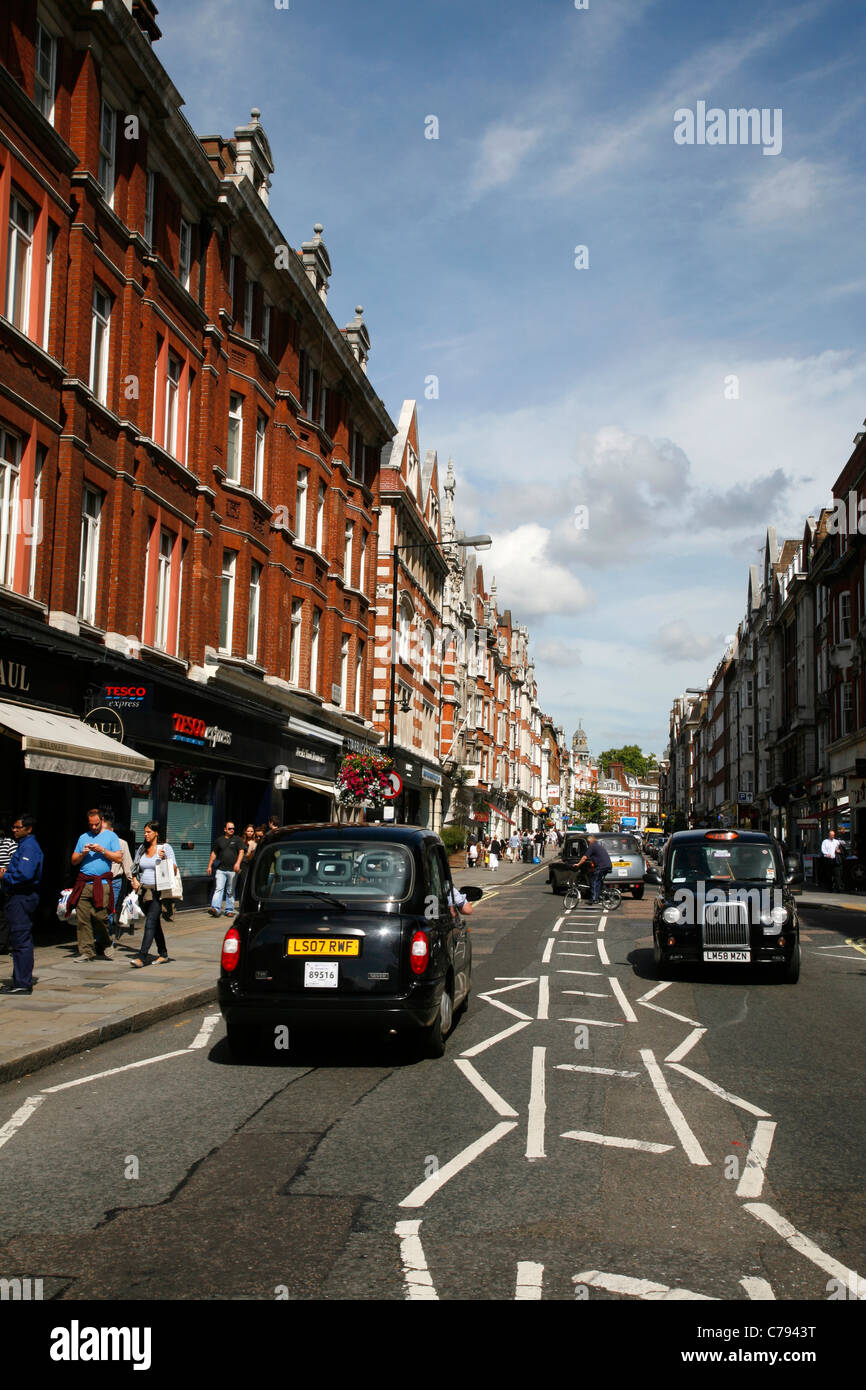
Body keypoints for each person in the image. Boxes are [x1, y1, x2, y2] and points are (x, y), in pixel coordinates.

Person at [68, 808, 122, 961]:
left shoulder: (111, 836)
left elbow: (118, 858)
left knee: (100, 916)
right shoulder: (83, 837)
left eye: (96, 824)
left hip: (102, 883)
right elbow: (73, 860)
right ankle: (86, 951)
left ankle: (105, 942)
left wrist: (102, 850)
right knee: (83, 918)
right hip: (84, 882)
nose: (93, 827)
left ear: (102, 820)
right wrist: (83, 853)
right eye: (91, 825)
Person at [0, 814, 43, 994]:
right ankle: (19, 979)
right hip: (17, 896)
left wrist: (5, 876)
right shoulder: (23, 846)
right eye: (14, 827)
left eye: (18, 827)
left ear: (28, 829)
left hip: (22, 896)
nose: (14, 830)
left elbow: (25, 874)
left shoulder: (29, 847)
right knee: (18, 939)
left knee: (21, 938)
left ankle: (22, 983)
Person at [130, 822, 175, 967]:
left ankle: (142, 957)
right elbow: (134, 867)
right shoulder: (142, 849)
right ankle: (163, 954)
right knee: (155, 923)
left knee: (150, 923)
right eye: (145, 832)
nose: (146, 834)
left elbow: (174, 869)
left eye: (149, 832)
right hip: (143, 891)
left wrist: (164, 859)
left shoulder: (165, 848)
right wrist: (135, 880)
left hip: (158, 891)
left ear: (156, 833)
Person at [102, 814, 135, 939]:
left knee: (108, 911)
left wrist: (133, 881)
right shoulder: (95, 843)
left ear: (111, 830)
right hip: (97, 880)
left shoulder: (121, 844)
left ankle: (106, 940)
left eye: (105, 830)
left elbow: (128, 865)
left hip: (114, 881)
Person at [207, 821, 244, 917]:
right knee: (219, 889)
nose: (232, 830)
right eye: (229, 828)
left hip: (233, 870)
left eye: (233, 828)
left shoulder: (238, 839)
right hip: (221, 869)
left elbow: (241, 852)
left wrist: (238, 863)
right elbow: (214, 853)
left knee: (230, 891)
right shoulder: (219, 840)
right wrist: (209, 865)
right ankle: (215, 908)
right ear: (225, 829)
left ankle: (229, 910)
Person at [573, 834, 613, 904]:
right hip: (607, 866)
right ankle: (601, 893)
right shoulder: (598, 846)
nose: (588, 844)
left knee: (593, 881)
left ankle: (594, 899)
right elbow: (597, 858)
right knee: (598, 880)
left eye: (588, 842)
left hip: (602, 867)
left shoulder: (592, 846)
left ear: (589, 842)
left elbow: (585, 857)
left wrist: (578, 864)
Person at [0, 823, 17, 956]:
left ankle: (3, 944)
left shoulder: (9, 843)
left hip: (4, 883)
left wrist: (6, 871)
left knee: (4, 914)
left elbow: (16, 863)